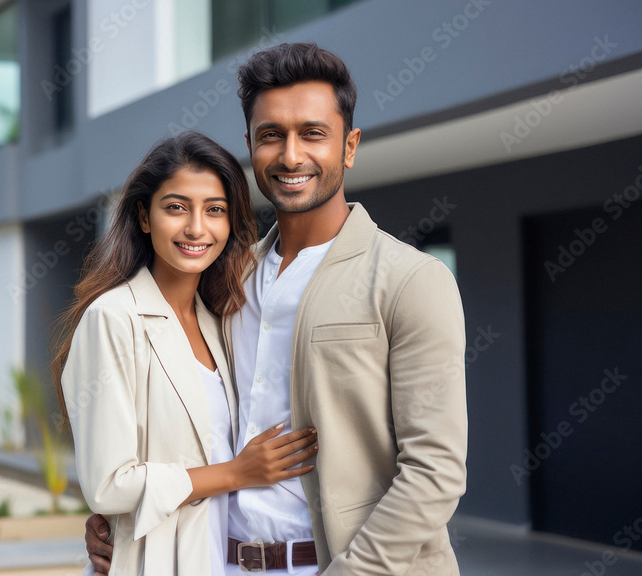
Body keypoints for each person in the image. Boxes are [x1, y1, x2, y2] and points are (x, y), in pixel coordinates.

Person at [84, 43, 468, 575]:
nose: (290, 156)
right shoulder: (226, 282)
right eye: (272, 136)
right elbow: (182, 428)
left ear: (349, 146)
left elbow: (435, 471)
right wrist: (122, 519)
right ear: (250, 146)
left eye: (313, 133)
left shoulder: (411, 280)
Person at [54, 131, 319, 575]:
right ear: (144, 216)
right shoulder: (114, 318)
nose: (197, 228)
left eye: (214, 210)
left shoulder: (222, 319)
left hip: (221, 557)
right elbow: (109, 485)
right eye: (176, 207)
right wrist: (237, 472)